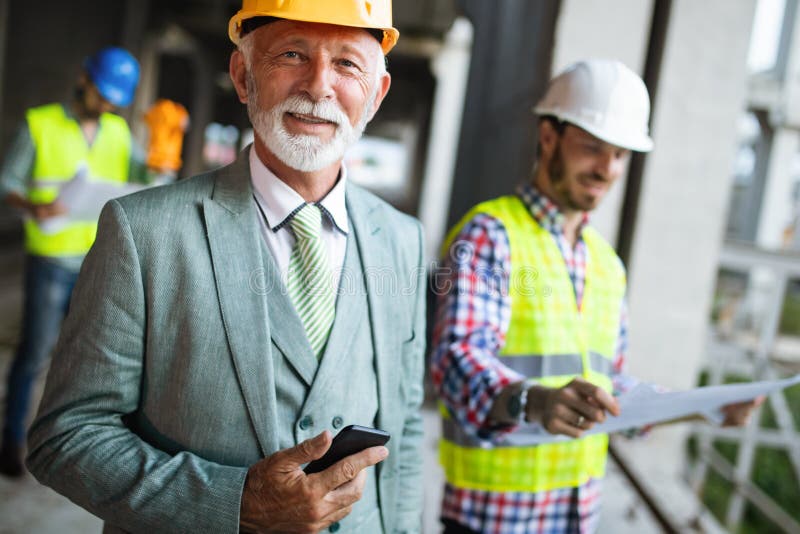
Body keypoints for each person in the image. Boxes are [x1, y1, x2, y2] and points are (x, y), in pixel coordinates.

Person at [26, 1, 426, 533]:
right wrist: (235, 503)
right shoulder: (143, 232)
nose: (319, 86)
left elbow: (406, 424)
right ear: (242, 76)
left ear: (376, 95)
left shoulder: (403, 240)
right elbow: (66, 436)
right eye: (292, 54)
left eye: (348, 64)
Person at [430, 59, 762, 533]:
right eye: (592, 148)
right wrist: (535, 401)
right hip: (493, 517)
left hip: (578, 515)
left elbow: (613, 392)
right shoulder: (490, 235)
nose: (607, 169)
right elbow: (455, 362)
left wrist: (704, 406)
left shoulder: (606, 263)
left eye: (621, 155)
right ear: (549, 136)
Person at [0, 46, 141, 478]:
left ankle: (69, 443)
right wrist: (33, 206)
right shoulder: (40, 123)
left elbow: (141, 182)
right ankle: (11, 443)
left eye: (114, 99)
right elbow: (7, 180)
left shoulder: (119, 133)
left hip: (95, 261)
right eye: (102, 93)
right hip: (50, 258)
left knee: (89, 358)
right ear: (83, 78)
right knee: (35, 353)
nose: (106, 104)